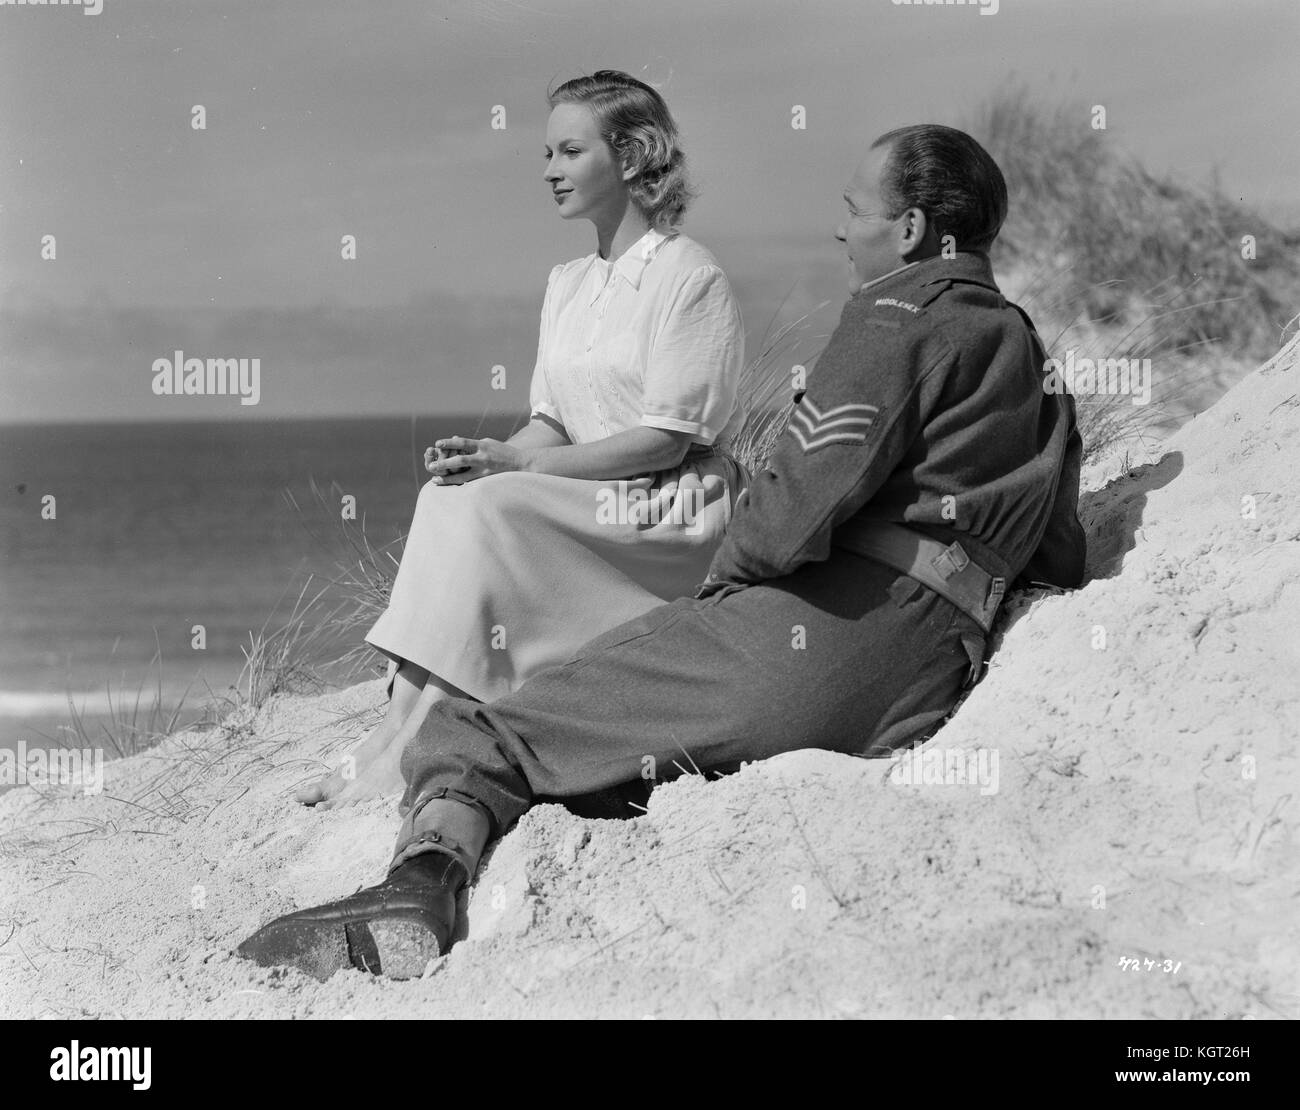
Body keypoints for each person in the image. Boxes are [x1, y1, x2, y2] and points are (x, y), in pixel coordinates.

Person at [239, 124, 1087, 980]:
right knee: (619, 757)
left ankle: (419, 887)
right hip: (928, 673)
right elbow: (1060, 552)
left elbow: (791, 514)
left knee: (481, 729)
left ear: (907, 233)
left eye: (851, 210)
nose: (840, 230)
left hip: (815, 649)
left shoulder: (897, 314)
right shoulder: (1025, 345)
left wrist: (723, 593)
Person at [297, 71, 747, 807]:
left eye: (569, 152)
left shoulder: (689, 277)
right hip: (585, 494)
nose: (549, 171)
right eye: (548, 153)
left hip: (666, 510)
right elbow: (556, 421)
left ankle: (405, 742)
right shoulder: (568, 282)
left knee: (491, 507)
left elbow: (666, 442)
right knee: (452, 498)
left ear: (631, 156)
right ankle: (390, 734)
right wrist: (488, 460)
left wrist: (520, 465)